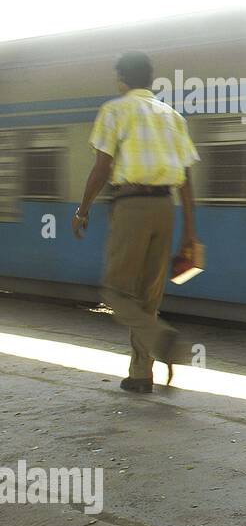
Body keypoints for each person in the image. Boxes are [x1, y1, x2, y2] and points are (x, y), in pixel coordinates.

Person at [72, 51, 199, 393]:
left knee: (115, 291)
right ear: (151, 80)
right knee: (148, 297)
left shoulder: (114, 110)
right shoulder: (173, 117)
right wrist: (190, 232)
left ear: (121, 80)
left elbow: (101, 168)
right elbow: (186, 181)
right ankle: (141, 375)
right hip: (164, 207)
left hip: (131, 205)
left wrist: (82, 210)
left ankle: (163, 338)